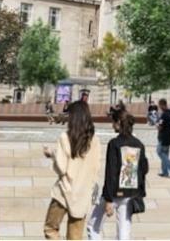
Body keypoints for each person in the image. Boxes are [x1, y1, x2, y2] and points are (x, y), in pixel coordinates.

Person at [43, 101, 101, 240]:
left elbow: (61, 167)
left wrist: (52, 155)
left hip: (64, 191)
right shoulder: (94, 140)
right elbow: (96, 167)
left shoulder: (65, 137)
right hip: (83, 194)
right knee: (75, 236)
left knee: (50, 229)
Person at [87, 111, 148, 240]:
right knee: (123, 232)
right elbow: (144, 169)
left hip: (114, 192)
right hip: (131, 193)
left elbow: (111, 172)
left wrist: (108, 199)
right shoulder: (139, 144)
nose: (112, 125)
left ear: (119, 123)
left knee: (93, 226)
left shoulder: (114, 143)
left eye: (113, 122)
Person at [156, 99, 170, 178]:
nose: (159, 107)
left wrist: (156, 125)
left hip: (163, 137)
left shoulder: (164, 115)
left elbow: (160, 127)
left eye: (159, 106)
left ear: (162, 105)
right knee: (165, 155)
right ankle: (165, 172)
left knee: (159, 152)